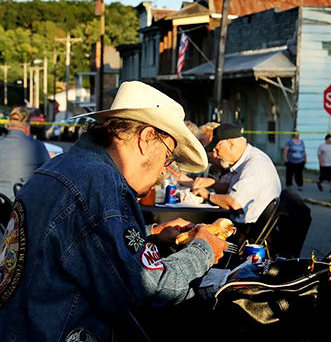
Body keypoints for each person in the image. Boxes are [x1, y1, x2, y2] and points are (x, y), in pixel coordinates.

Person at [0, 81, 230, 341]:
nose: (165, 170)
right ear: (146, 138)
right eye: (167, 156)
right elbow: (149, 290)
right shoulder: (100, 183)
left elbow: (80, 240)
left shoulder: (66, 166)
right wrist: (203, 250)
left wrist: (150, 233)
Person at [192, 123, 282, 225]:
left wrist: (207, 195)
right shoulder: (246, 160)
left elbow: (234, 203)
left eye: (217, 149)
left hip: (249, 228)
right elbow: (233, 188)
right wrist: (212, 183)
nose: (215, 155)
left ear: (231, 144)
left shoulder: (254, 165)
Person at [0, 106, 50, 199]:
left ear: (8, 126)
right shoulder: (37, 146)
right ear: (27, 128)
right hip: (25, 205)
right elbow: (50, 176)